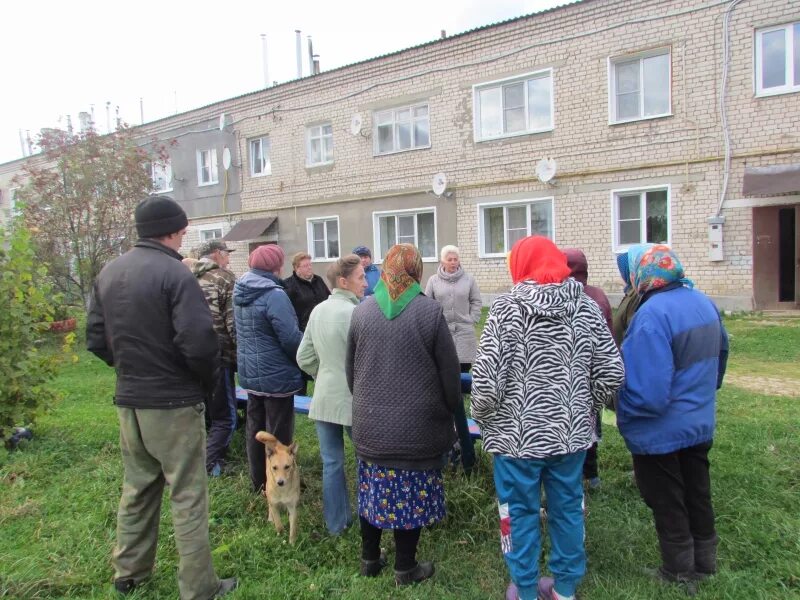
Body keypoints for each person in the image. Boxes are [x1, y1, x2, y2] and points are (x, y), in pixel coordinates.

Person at [86, 195, 237, 599]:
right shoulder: (175, 275)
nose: (185, 236)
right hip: (172, 403)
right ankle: (200, 587)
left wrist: (132, 370)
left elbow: (96, 339)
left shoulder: (110, 271)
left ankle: (129, 573)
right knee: (188, 494)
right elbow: (200, 342)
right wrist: (202, 382)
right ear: (172, 231)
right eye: (183, 230)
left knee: (137, 488)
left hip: (130, 401)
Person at [471, 236, 624, 600]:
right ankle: (565, 590)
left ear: (519, 265)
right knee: (568, 508)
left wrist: (482, 416)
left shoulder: (506, 310)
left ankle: (524, 589)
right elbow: (612, 372)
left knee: (517, 513)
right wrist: (582, 405)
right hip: (570, 436)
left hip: (514, 440)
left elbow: (486, 383)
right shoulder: (586, 308)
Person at [346, 243, 461, 585]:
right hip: (417, 430)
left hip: (369, 426)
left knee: (371, 493)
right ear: (416, 271)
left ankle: (369, 560)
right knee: (409, 496)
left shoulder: (362, 311)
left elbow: (350, 373)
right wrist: (446, 410)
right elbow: (451, 380)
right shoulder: (429, 313)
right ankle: (405, 568)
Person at [617, 245, 728, 593]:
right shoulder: (703, 302)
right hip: (698, 421)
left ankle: (679, 570)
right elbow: (721, 358)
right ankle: (706, 562)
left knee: (667, 497)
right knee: (698, 491)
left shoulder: (652, 315)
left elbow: (647, 391)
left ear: (642, 275)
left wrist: (618, 403)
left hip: (660, 430)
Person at [296, 254, 367, 534]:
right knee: (366, 459)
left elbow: (303, 357)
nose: (365, 282)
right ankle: (369, 518)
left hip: (324, 397)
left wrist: (323, 373)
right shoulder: (356, 313)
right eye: (360, 277)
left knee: (332, 463)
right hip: (354, 398)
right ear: (343, 281)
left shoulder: (318, 310)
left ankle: (336, 525)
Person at [234, 244, 304, 493]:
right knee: (278, 432)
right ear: (275, 266)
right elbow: (289, 337)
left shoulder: (240, 290)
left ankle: (259, 482)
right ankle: (279, 486)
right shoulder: (274, 294)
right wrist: (304, 355)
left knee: (256, 428)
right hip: (276, 375)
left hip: (251, 373)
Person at [424, 244, 482, 475]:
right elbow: (427, 302)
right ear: (442, 260)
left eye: (456, 257)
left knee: (461, 378)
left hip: (465, 335)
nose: (453, 261)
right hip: (443, 334)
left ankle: (460, 417)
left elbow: (477, 301)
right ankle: (449, 417)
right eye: (450, 258)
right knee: (445, 379)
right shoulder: (433, 280)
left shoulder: (469, 279)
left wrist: (472, 318)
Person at [563, 248, 614, 490]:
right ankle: (591, 476)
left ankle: (576, 478)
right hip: (594, 374)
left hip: (571, 375)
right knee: (591, 425)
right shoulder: (598, 295)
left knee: (574, 428)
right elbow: (610, 337)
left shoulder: (563, 296)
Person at [192, 239, 237, 477]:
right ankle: (209, 465)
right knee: (226, 416)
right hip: (219, 355)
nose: (228, 258)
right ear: (217, 254)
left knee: (206, 411)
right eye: (227, 254)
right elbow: (232, 322)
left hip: (191, 354)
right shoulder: (225, 278)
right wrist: (240, 354)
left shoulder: (189, 278)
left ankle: (206, 457)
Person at [612, 244, 652, 347]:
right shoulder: (631, 292)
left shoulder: (638, 294)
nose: (620, 275)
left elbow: (632, 331)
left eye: (621, 271)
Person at [283, 251, 331, 332]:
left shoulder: (318, 280)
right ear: (296, 268)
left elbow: (329, 299)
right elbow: (287, 313)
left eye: (310, 265)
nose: (309, 267)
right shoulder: (288, 285)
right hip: (305, 331)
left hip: (324, 327)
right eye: (305, 266)